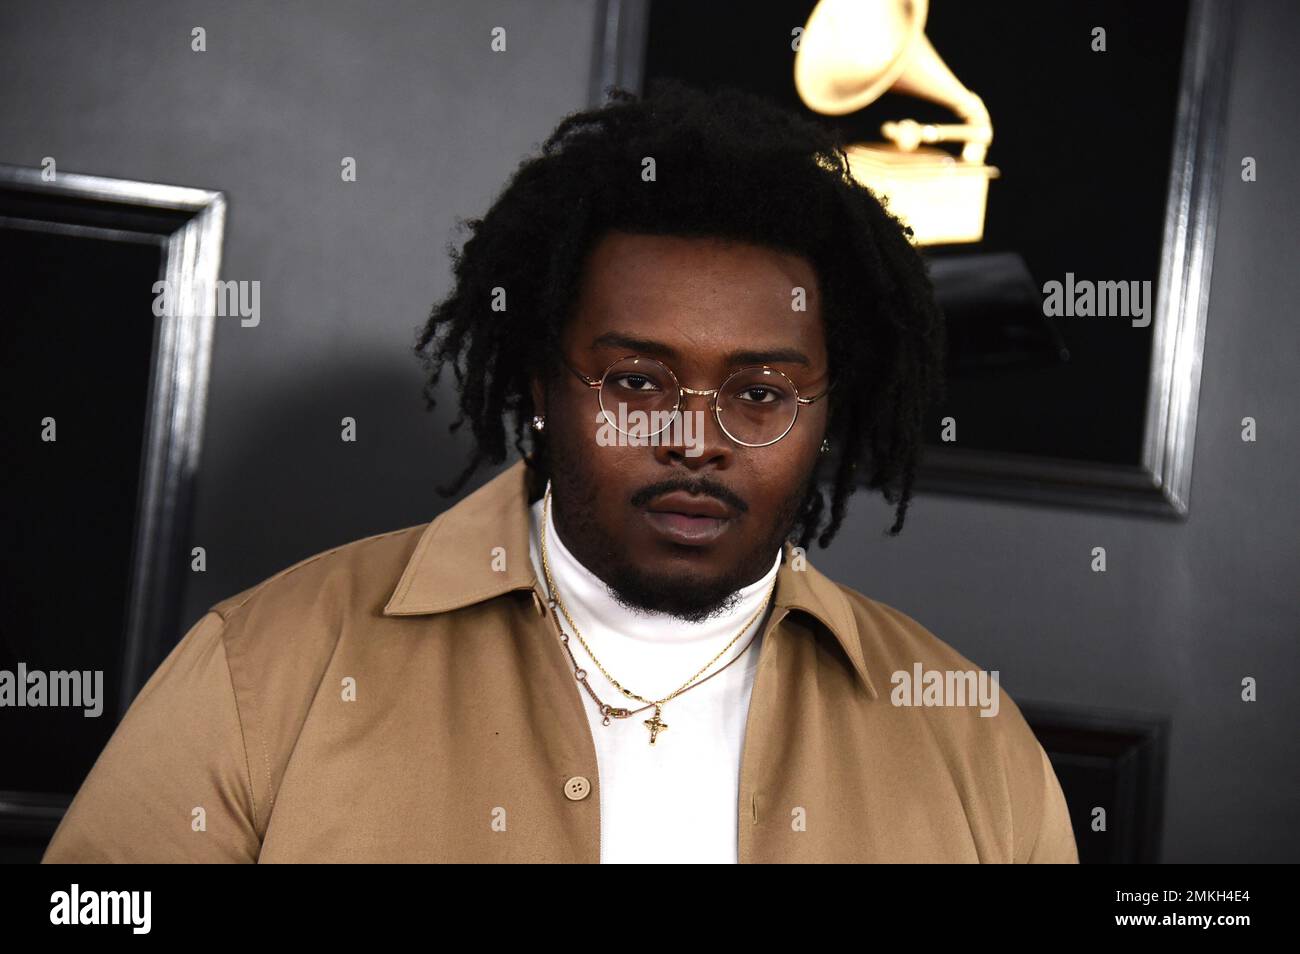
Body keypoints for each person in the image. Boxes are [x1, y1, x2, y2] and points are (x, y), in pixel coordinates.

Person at [43, 80, 1077, 863]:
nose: (695, 438)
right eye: (635, 383)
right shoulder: (261, 672)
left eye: (761, 393)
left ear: (825, 417)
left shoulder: (971, 741)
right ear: (543, 387)